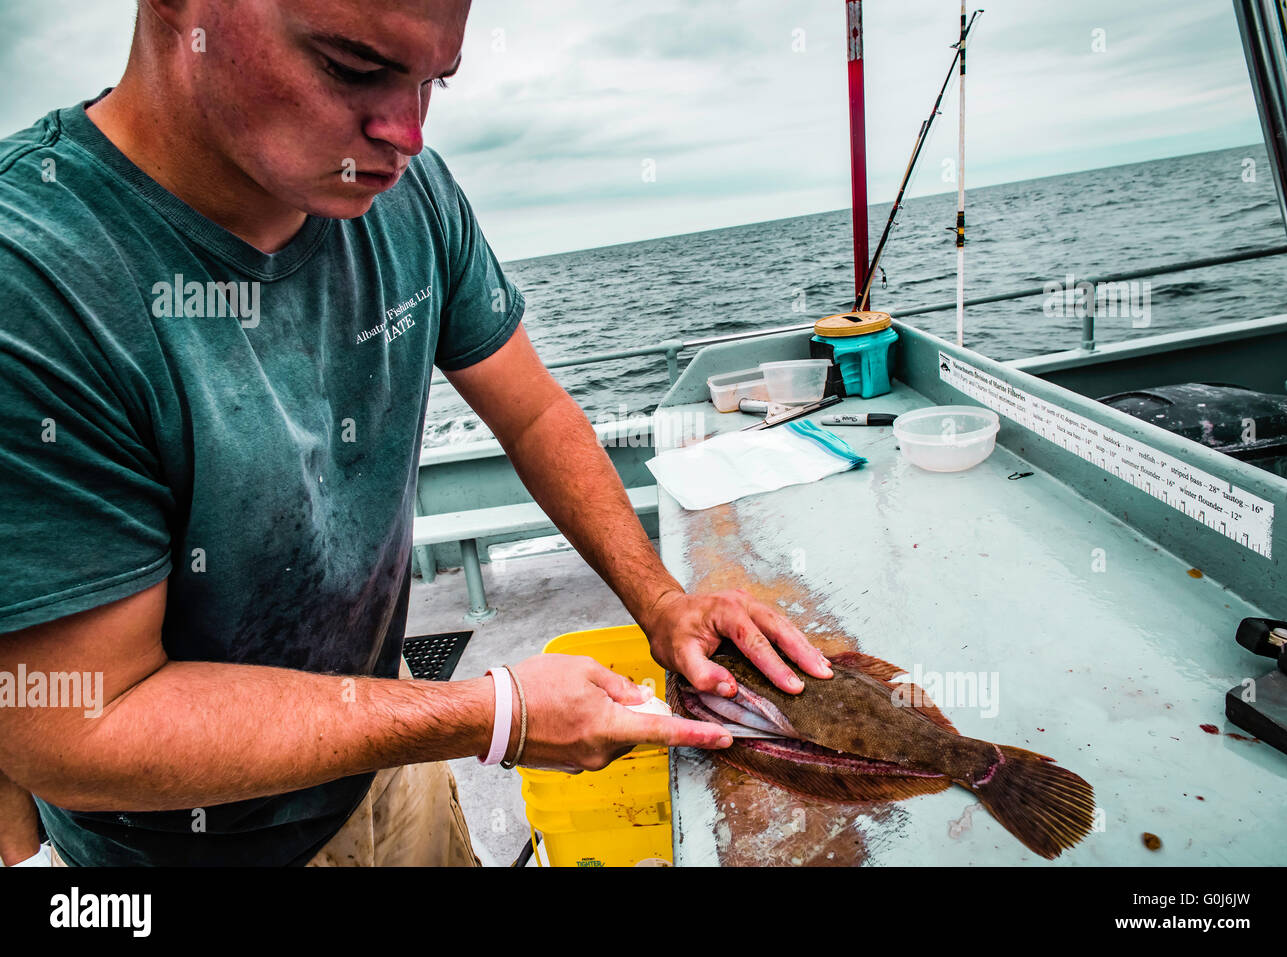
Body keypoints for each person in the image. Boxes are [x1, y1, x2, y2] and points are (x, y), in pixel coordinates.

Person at [0, 0, 833, 866]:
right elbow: (79, 727)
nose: (407, 133)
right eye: (354, 68)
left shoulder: (407, 192)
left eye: (434, 80)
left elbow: (535, 410)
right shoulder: (33, 277)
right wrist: (494, 713)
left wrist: (661, 600)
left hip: (391, 747)